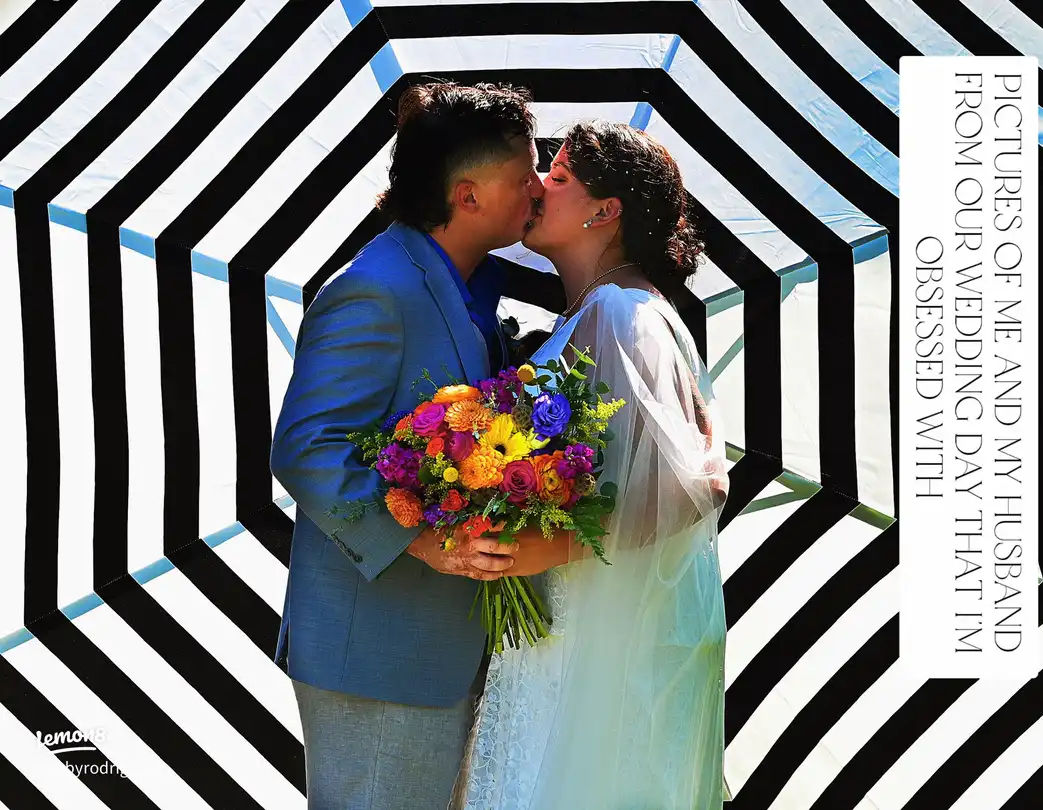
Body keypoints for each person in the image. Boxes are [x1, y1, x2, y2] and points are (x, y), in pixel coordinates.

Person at [269, 81, 544, 810]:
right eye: (525, 175)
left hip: (442, 651)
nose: (540, 189)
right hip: (378, 657)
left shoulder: (467, 283)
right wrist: (421, 538)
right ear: (468, 195)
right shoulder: (376, 291)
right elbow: (306, 447)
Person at [453, 120, 730, 809]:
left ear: (605, 212)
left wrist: (543, 548)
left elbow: (689, 486)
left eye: (561, 176)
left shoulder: (624, 311)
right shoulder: (594, 316)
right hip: (562, 632)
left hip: (602, 643)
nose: (537, 184)